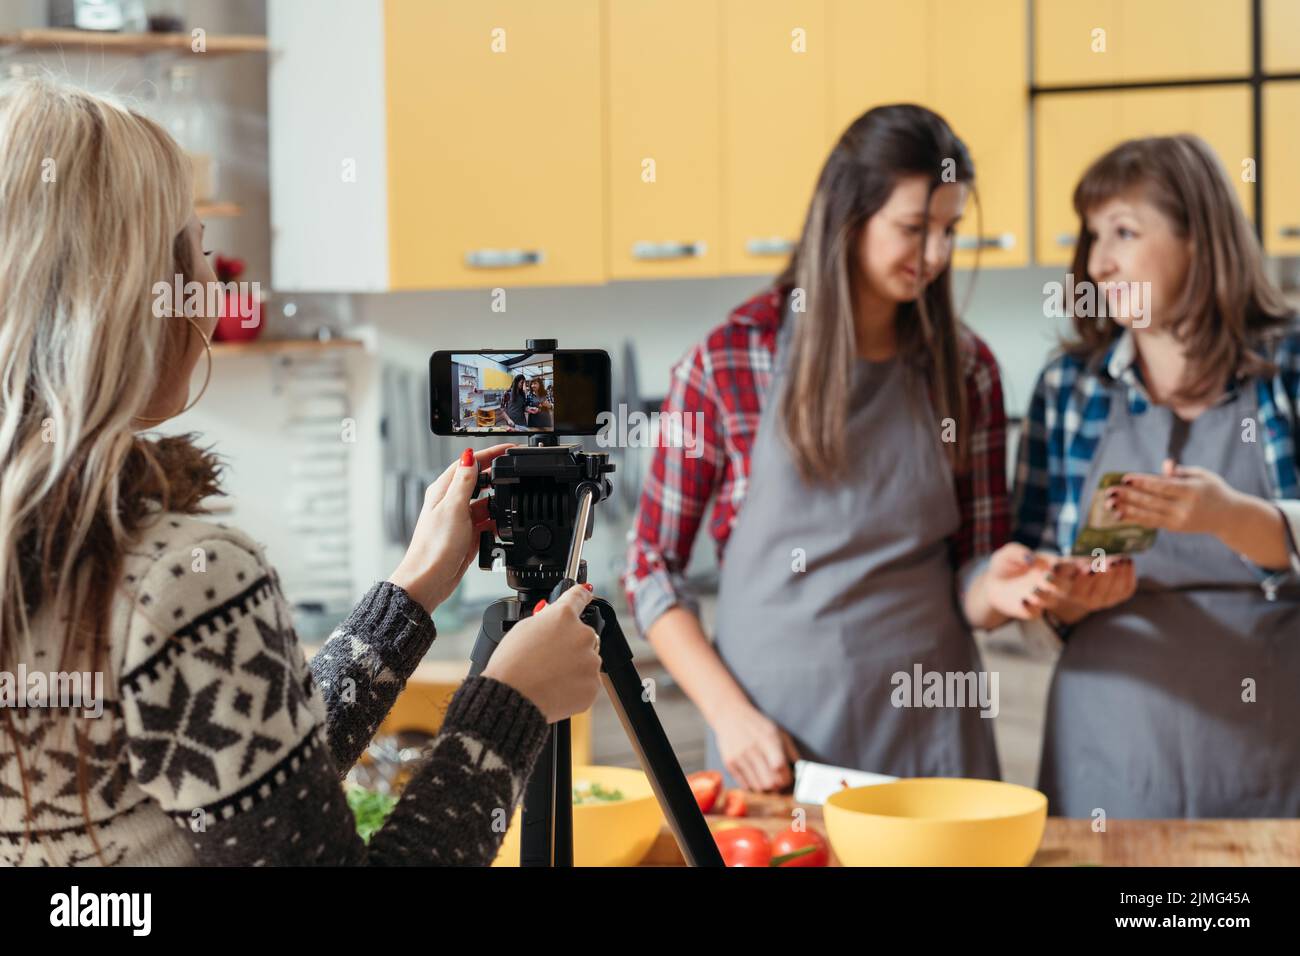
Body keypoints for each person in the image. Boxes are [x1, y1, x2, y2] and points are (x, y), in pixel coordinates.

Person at [0, 78, 603, 866]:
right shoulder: (179, 576)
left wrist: (411, 593)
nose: (213, 285)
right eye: (198, 249)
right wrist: (509, 707)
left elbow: (248, 787)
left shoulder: (44, 543)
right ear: (132, 297)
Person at [624, 105, 1064, 792]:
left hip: (930, 734)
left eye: (950, 230)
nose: (937, 255)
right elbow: (650, 567)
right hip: (773, 737)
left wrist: (998, 587)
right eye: (914, 229)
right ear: (847, 216)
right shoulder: (729, 361)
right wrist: (729, 714)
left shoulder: (968, 369)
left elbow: (973, 568)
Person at [1013, 134, 1300, 817]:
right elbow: (1031, 584)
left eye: (1124, 232)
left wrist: (1228, 516)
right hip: (1108, 751)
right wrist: (1067, 595)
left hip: (1274, 747)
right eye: (1091, 236)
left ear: (1198, 239)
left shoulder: (1287, 367)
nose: (1099, 262)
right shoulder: (1068, 388)